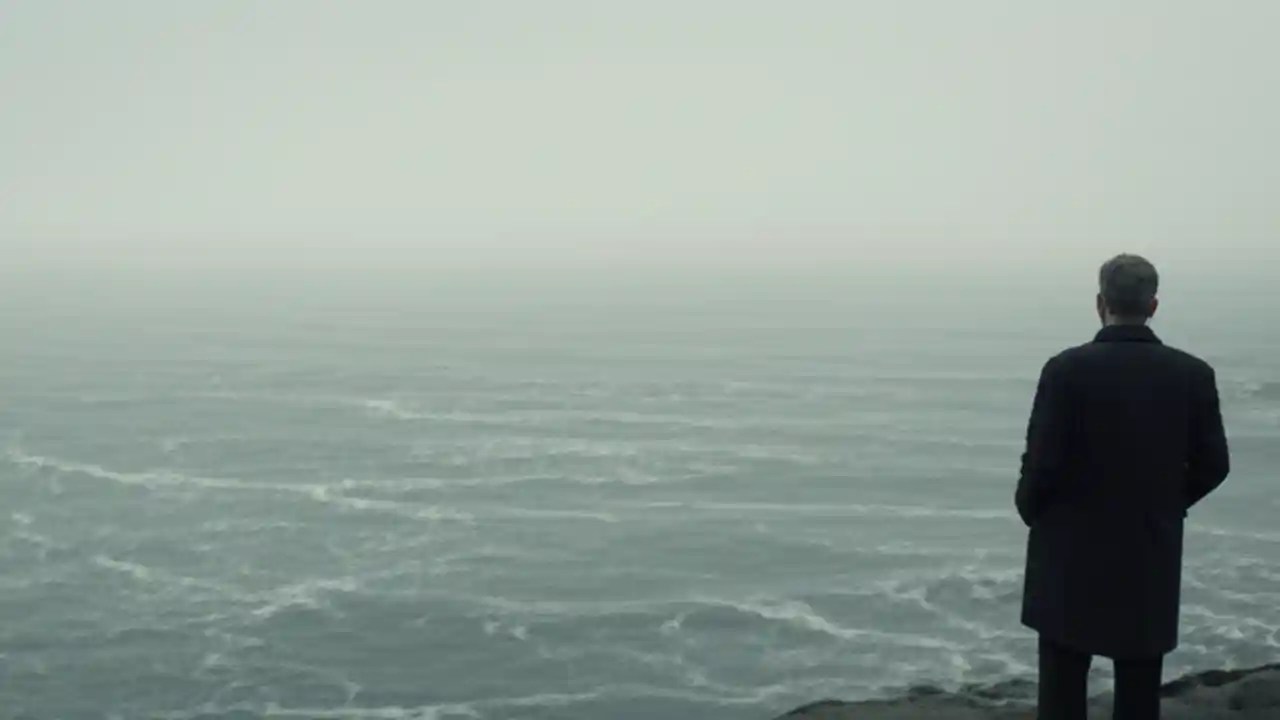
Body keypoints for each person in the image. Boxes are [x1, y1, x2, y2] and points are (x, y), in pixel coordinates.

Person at [1016, 254, 1231, 720]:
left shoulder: (1066, 370)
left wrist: (1035, 512)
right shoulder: (1192, 374)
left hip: (1068, 550)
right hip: (1148, 548)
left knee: (1061, 691)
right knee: (1138, 693)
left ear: (1100, 304)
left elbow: (1041, 465)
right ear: (1153, 305)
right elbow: (1215, 465)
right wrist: (1168, 503)